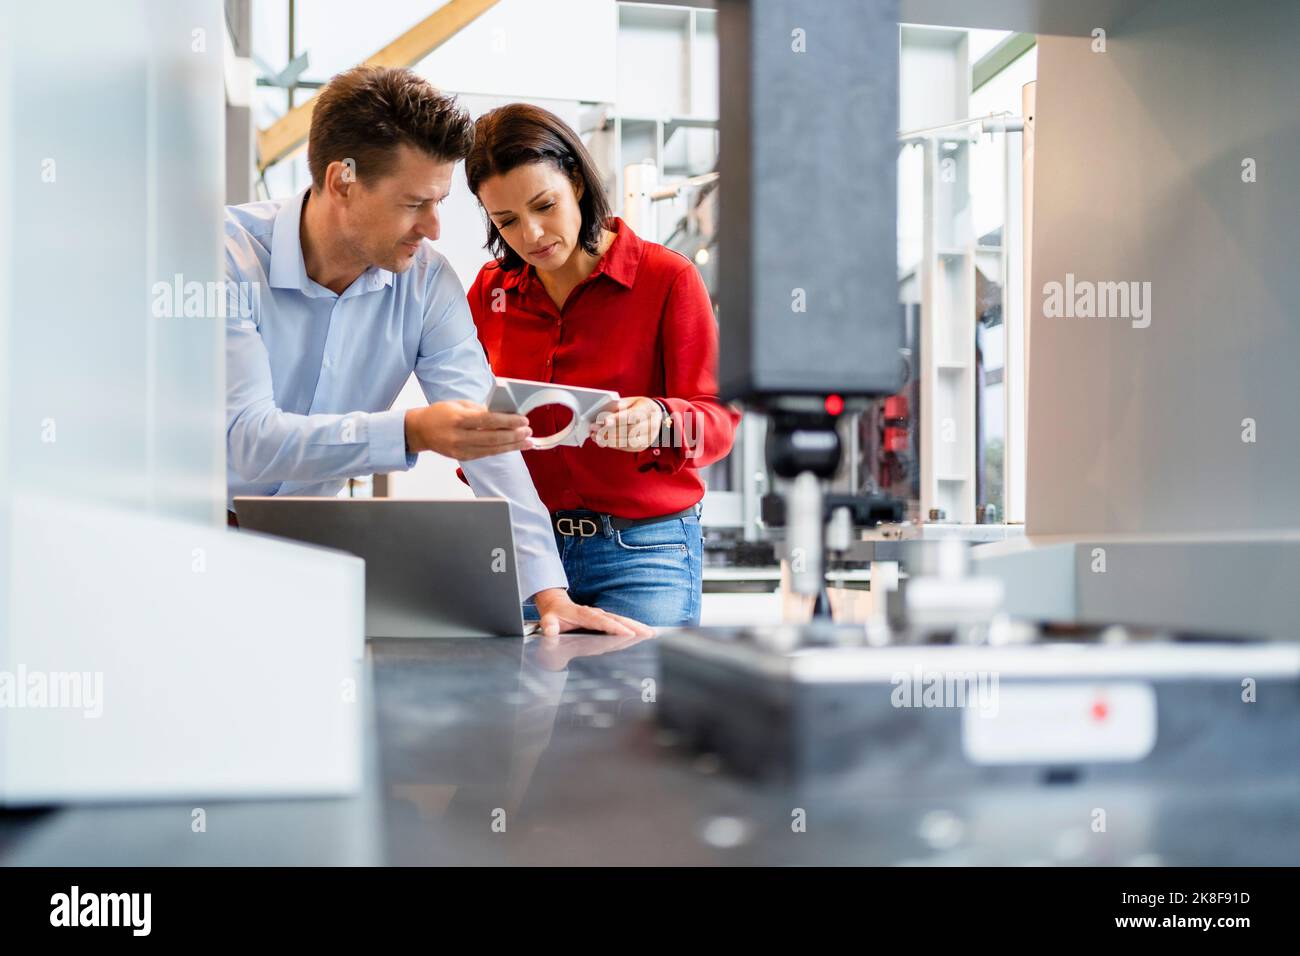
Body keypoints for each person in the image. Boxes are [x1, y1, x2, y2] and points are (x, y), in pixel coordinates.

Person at [224, 66, 651, 639]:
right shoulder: (223, 260)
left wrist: (550, 594)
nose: (432, 226)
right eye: (413, 203)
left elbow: (489, 439)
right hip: (185, 538)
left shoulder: (427, 283)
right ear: (342, 181)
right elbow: (246, 440)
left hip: (304, 554)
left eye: (440, 201)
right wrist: (411, 432)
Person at [464, 104, 739, 627]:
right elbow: (468, 415)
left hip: (643, 551)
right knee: (515, 705)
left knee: (634, 704)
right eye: (506, 220)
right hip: (525, 549)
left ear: (577, 180)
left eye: (545, 205)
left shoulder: (667, 279)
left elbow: (719, 423)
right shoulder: (490, 292)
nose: (532, 234)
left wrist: (659, 420)